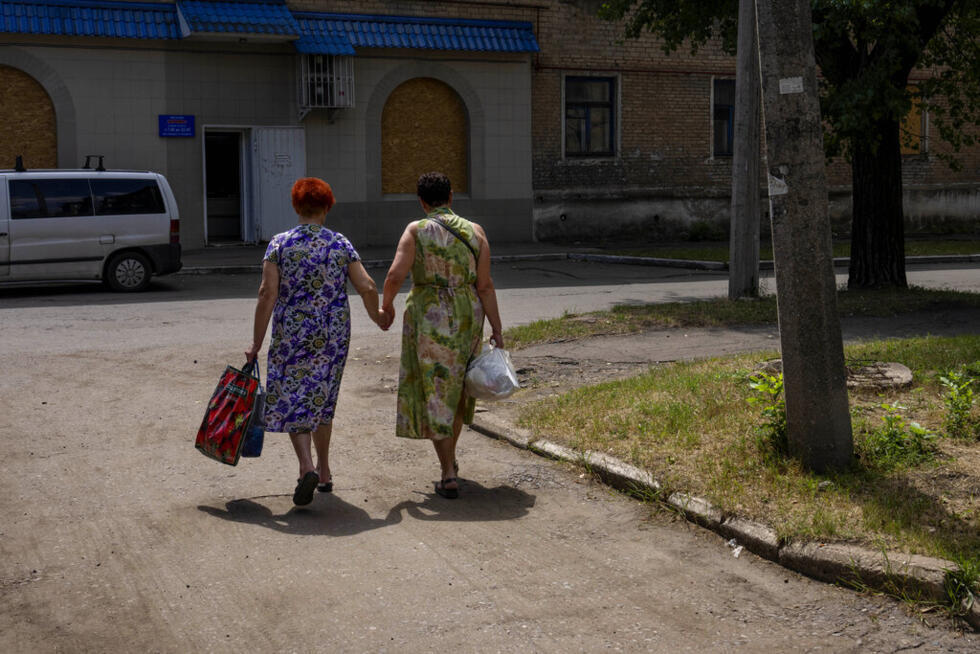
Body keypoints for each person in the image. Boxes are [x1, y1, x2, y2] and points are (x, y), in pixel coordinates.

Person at [246, 177, 381, 506]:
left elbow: (267, 294)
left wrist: (256, 343)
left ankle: (306, 466)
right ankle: (324, 471)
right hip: (333, 334)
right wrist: (379, 317)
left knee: (295, 395)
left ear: (296, 207)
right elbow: (366, 285)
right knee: (321, 396)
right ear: (327, 207)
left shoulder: (280, 244)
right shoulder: (339, 244)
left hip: (293, 332)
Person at [379, 172, 504, 499]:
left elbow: (395, 274)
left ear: (421, 201)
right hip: (467, 316)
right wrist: (498, 329)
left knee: (436, 389)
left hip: (429, 316)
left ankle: (448, 469)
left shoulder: (416, 230)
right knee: (460, 389)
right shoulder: (475, 231)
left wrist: (386, 306)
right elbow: (486, 286)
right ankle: (450, 460)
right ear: (451, 196)